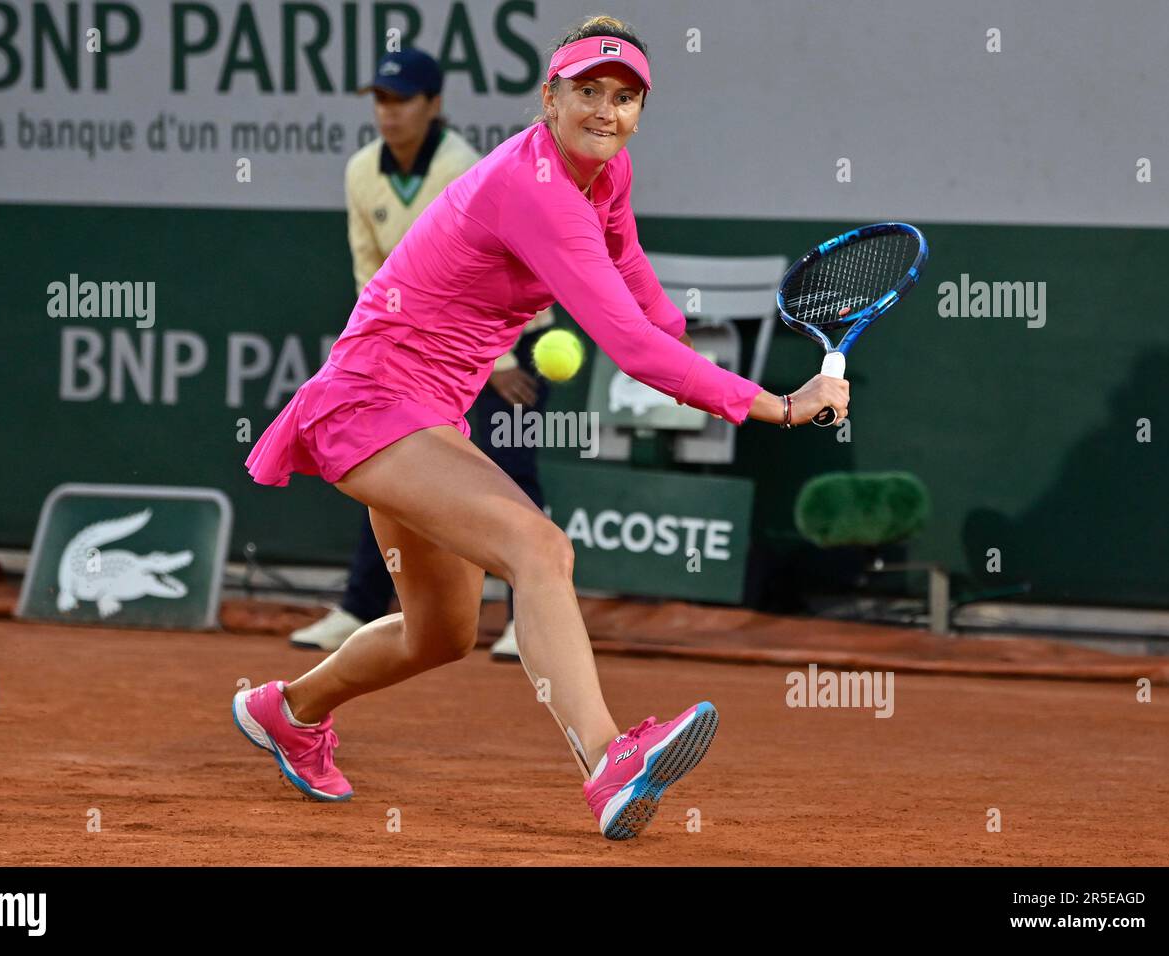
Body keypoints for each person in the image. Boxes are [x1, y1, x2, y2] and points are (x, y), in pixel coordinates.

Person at [235, 14, 849, 840]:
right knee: (541, 549)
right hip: (372, 397)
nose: (607, 111)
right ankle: (610, 762)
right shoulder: (534, 190)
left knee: (442, 634)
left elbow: (631, 273)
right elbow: (624, 346)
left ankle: (288, 711)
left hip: (430, 407)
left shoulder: (608, 173)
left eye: (625, 97)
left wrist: (680, 341)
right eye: (588, 92)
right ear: (548, 97)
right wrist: (771, 403)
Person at [288, 48, 552, 663]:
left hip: (509, 339)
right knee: (389, 471)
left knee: (510, 465)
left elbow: (496, 265)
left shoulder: (464, 166)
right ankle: (358, 607)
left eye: (402, 100)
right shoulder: (360, 171)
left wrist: (501, 359)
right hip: (417, 348)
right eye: (380, 100)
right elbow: (369, 270)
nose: (389, 113)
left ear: (433, 106)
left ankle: (523, 616)